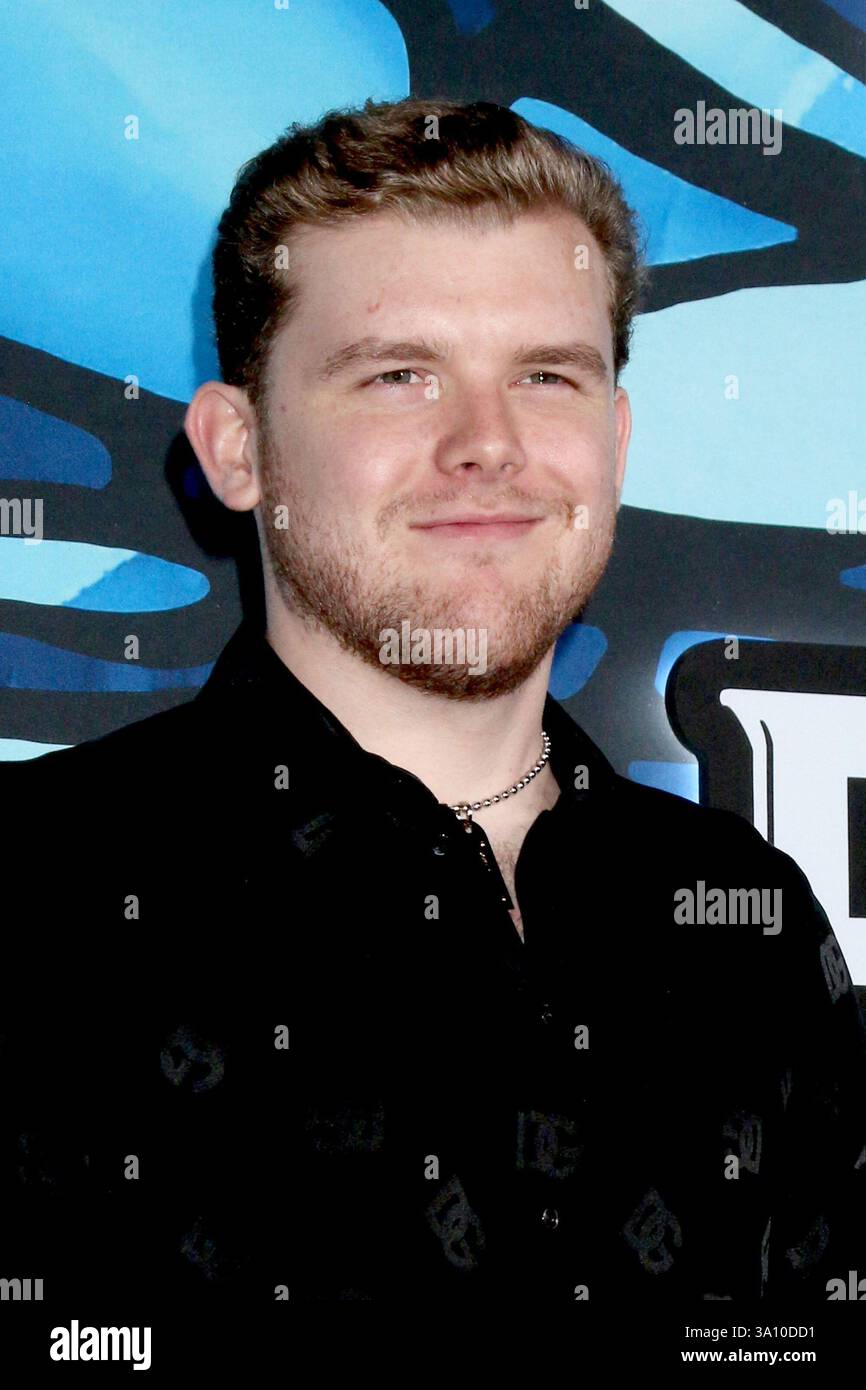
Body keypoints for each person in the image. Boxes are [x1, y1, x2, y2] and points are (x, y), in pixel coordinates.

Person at [3, 98, 865, 1312]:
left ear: (613, 442)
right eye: (401, 374)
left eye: (545, 376)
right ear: (237, 449)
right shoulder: (37, 900)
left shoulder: (744, 922)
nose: (486, 444)